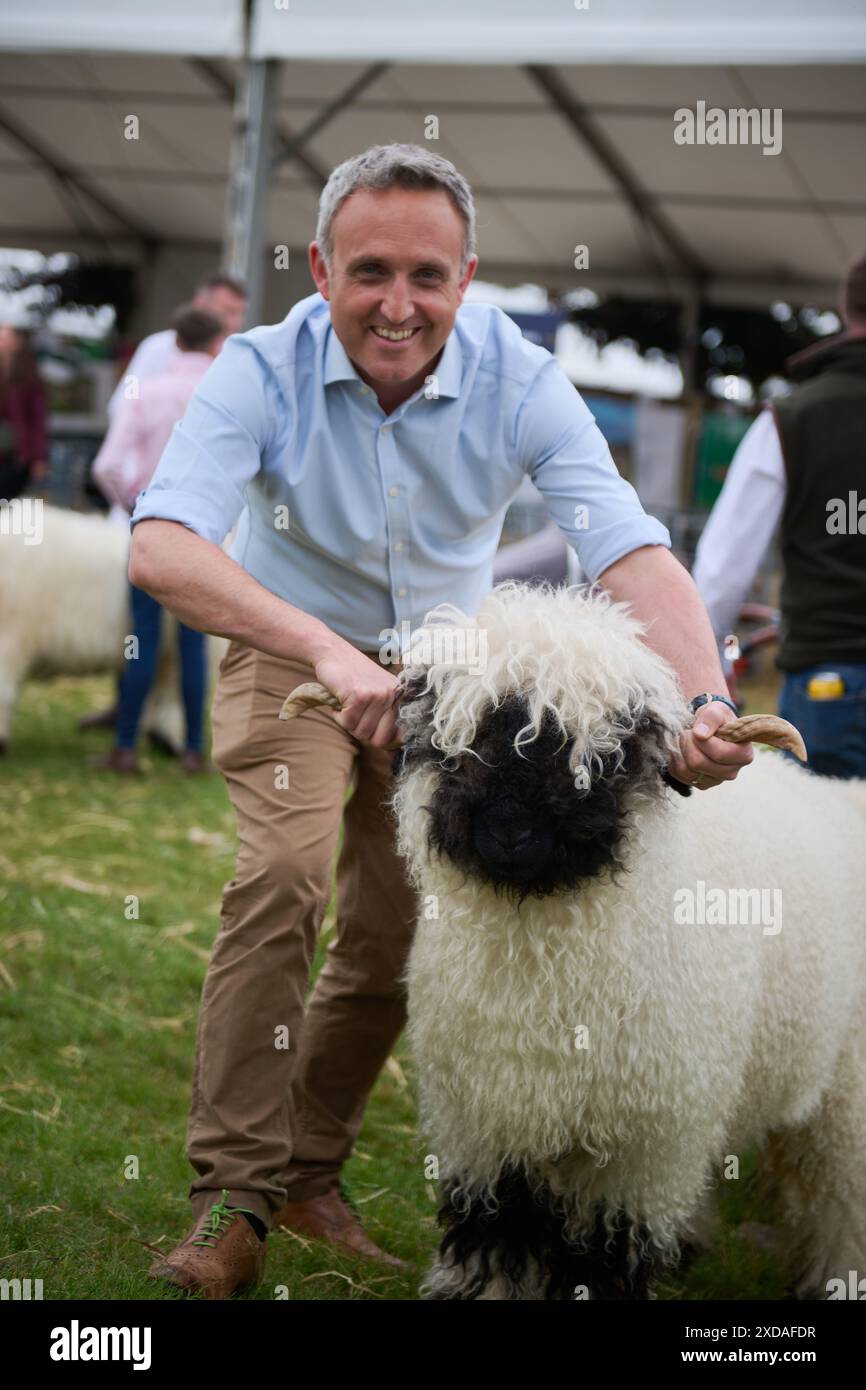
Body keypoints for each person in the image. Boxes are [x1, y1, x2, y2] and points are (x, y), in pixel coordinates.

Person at [128, 144, 752, 1300]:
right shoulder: (258, 369)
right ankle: (231, 1200)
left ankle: (309, 1177)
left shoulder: (520, 378)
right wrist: (321, 646)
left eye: (428, 274)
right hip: (291, 657)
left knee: (397, 930)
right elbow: (161, 544)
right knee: (280, 882)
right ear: (318, 268)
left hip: (447, 687)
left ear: (468, 279)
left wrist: (703, 697)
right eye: (368, 271)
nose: (397, 304)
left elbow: (624, 547)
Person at [693, 252, 866, 779]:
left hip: (830, 686)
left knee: (829, 859)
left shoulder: (792, 418)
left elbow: (724, 569)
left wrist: (706, 677)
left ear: (846, 309)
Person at [91, 306, 222, 775]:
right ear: (214, 343)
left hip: (150, 529)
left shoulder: (145, 392)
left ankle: (125, 746)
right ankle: (192, 750)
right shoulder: (222, 389)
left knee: (140, 639)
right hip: (204, 537)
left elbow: (106, 465)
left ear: (176, 343)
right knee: (193, 644)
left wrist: (132, 506)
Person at [0, 324, 48, 500]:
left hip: (18, 453)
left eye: (6, 336)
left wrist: (39, 457)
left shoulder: (29, 379)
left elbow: (38, 420)